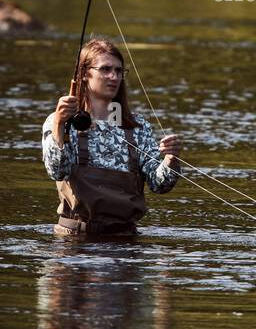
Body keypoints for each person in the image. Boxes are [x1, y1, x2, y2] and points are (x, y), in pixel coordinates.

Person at [42, 38, 181, 238]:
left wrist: (171, 159)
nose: (114, 76)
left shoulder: (138, 127)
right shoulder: (59, 122)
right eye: (106, 69)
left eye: (118, 71)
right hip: (74, 244)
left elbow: (160, 185)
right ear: (84, 74)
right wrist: (59, 125)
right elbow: (57, 171)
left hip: (125, 241)